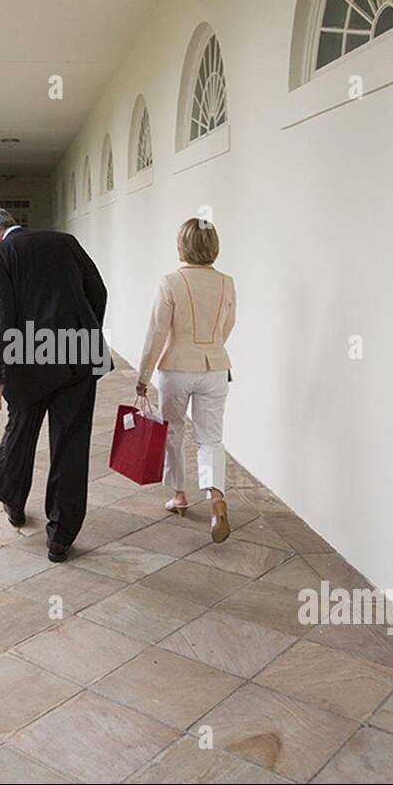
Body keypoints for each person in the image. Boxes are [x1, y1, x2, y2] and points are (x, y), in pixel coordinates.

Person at [0, 207, 108, 561]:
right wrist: (83, 334)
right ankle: (61, 537)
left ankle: (12, 501)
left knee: (20, 431)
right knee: (71, 442)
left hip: (26, 358)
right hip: (77, 355)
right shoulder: (65, 241)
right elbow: (98, 292)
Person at [136, 217, 237, 543]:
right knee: (211, 438)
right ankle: (216, 496)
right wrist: (212, 348)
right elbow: (227, 326)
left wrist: (143, 374)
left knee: (174, 431)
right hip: (215, 367)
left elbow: (157, 332)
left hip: (177, 367)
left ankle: (179, 495)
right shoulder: (226, 282)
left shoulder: (171, 282)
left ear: (182, 245)